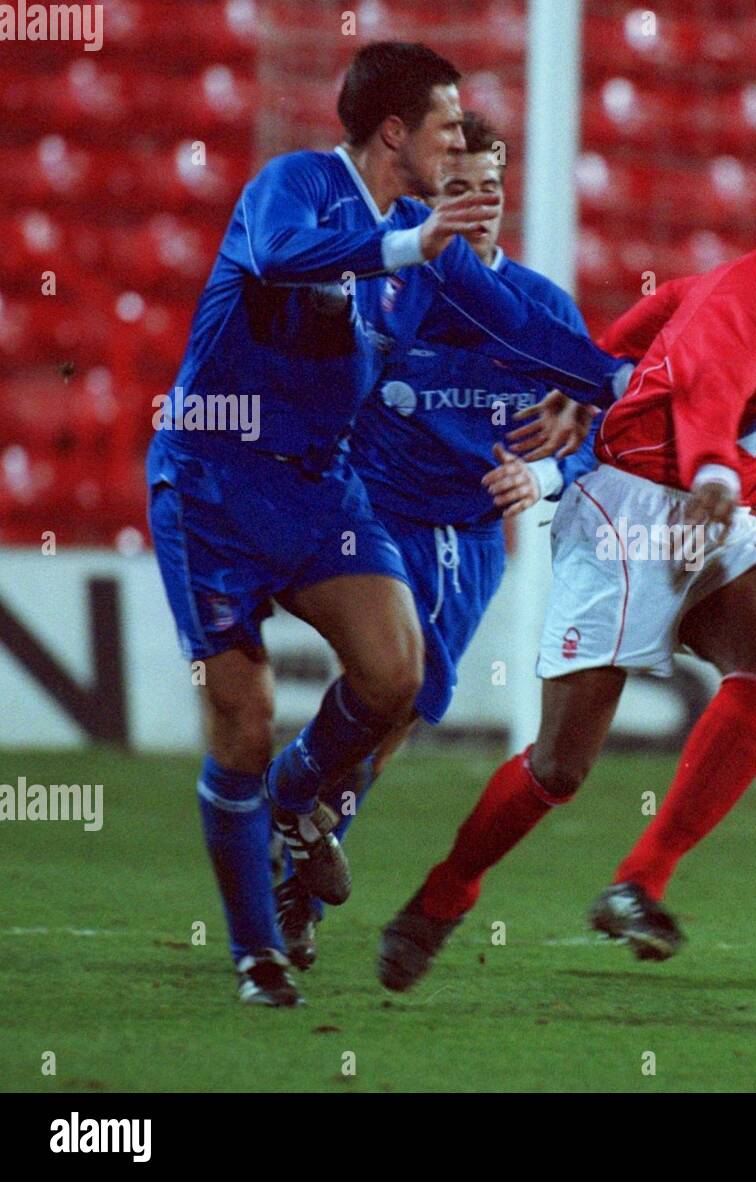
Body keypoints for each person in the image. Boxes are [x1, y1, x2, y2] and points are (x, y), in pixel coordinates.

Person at [377, 159, 756, 989]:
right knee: (560, 768)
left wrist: (598, 364)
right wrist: (712, 471)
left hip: (708, 511)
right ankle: (444, 894)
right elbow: (708, 392)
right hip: (632, 510)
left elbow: (680, 296)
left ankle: (640, 881)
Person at [148, 42, 627, 1006]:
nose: (461, 141)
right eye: (449, 125)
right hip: (211, 480)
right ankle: (257, 953)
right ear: (396, 133)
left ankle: (296, 804)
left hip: (321, 490)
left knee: (396, 673)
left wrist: (625, 387)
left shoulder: (423, 238)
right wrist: (412, 244)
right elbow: (283, 260)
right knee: (242, 723)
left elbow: (524, 330)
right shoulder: (293, 187)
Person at [273, 113, 600, 972]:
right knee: (385, 688)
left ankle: (299, 840)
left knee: (398, 711)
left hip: (468, 534)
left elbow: (606, 426)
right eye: (456, 189)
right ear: (428, 195)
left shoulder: (538, 308)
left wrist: (545, 478)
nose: (477, 206)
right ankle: (296, 830)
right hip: (372, 513)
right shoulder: (388, 284)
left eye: (489, 189)